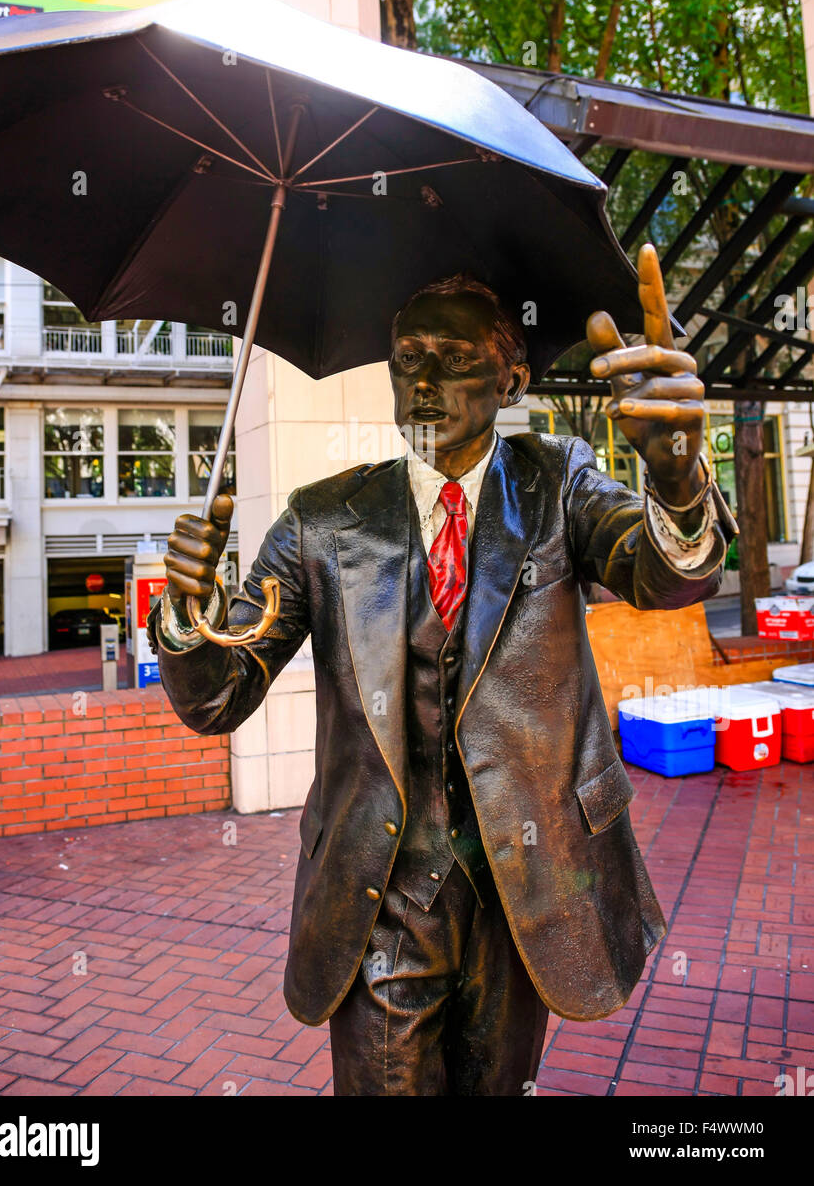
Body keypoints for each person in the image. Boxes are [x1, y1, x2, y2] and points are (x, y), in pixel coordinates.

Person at [148, 244, 735, 1096]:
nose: (423, 382)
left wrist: (676, 477)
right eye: (408, 361)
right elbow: (214, 700)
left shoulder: (558, 481)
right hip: (381, 896)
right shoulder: (322, 522)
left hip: (524, 881)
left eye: (455, 361)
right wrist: (182, 612)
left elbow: (667, 572)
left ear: (512, 381)